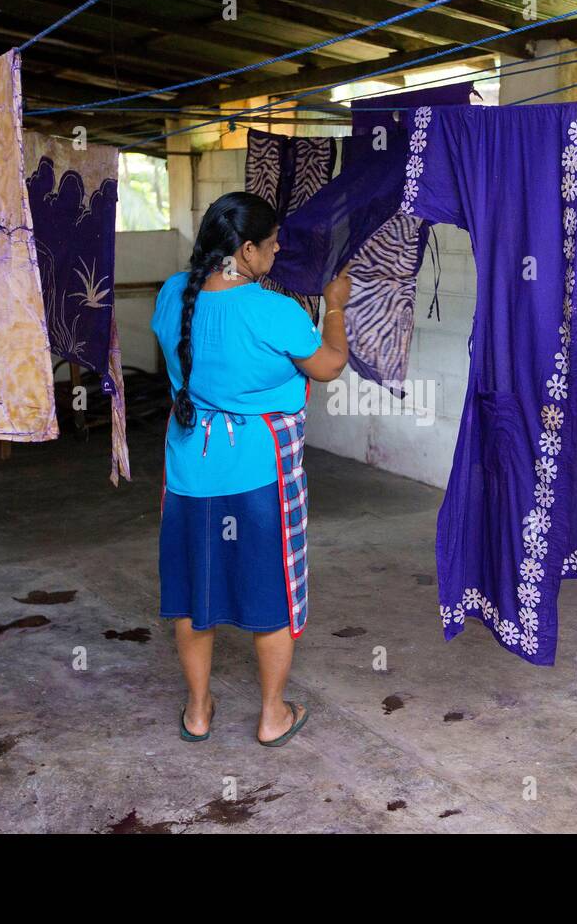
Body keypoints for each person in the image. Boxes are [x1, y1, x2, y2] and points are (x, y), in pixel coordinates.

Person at [152, 191, 351, 747]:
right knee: (271, 595)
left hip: (189, 468)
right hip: (258, 475)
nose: (278, 248)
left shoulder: (174, 294)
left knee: (194, 595)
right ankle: (271, 715)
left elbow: (183, 365)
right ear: (245, 250)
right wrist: (335, 304)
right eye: (271, 242)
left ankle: (197, 711)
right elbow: (330, 365)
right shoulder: (273, 310)